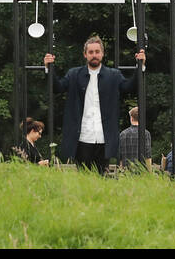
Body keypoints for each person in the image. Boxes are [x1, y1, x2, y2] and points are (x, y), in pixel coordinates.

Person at [44, 35, 144, 173]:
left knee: (101, 177)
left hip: (104, 138)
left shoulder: (113, 75)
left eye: (97, 52)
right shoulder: (74, 74)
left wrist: (140, 66)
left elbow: (129, 88)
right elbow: (57, 88)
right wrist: (49, 69)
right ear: (85, 54)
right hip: (82, 136)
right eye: (91, 52)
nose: (94, 55)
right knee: (83, 178)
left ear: (102, 54)